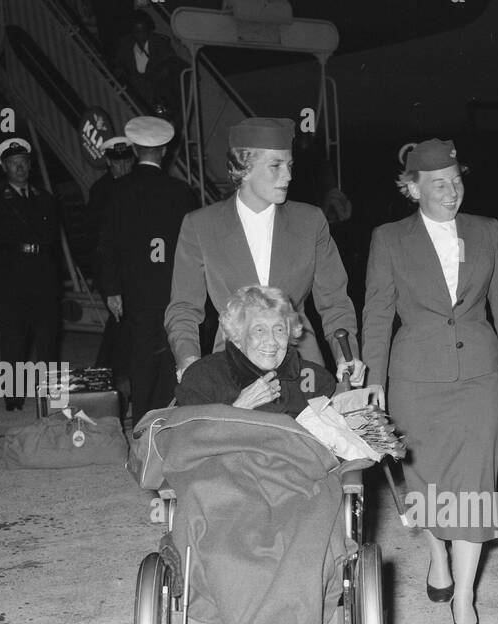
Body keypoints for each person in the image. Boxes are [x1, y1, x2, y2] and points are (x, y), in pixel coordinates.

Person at [362, 139, 498, 624]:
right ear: (413, 188)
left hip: (480, 379)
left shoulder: (487, 230)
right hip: (415, 380)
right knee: (426, 486)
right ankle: (437, 553)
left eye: (457, 180)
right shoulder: (389, 238)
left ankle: (464, 595)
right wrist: (373, 380)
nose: (452, 191)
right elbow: (376, 312)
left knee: (475, 490)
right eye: (439, 184)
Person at [164, 116, 364, 385]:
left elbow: (335, 302)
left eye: (290, 165)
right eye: (275, 166)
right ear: (243, 168)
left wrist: (345, 356)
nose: (288, 175)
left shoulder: (311, 222)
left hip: (302, 371)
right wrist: (189, 362)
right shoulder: (200, 226)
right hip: (230, 370)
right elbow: (184, 308)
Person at [99, 116, 200, 422]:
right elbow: (193, 246)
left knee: (141, 357)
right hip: (174, 288)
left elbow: (106, 245)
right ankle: (168, 419)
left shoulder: (118, 191)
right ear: (165, 150)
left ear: (134, 149)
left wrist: (112, 289)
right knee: (174, 352)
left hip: (135, 291)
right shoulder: (181, 192)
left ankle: (143, 421)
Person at [0, 136, 62, 410]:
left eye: (24, 163)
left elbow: (53, 240)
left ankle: (51, 397)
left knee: (48, 340)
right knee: (13, 340)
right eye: (13, 164)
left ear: (30, 165)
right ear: (5, 168)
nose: (20, 168)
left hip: (43, 275)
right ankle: (13, 398)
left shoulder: (45, 199)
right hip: (10, 276)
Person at [176, 285, 341, 416]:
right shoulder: (203, 377)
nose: (271, 341)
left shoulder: (314, 378)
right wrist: (238, 409)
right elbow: (187, 442)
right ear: (237, 335)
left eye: (279, 330)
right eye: (259, 330)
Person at [89, 135, 136, 398]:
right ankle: (110, 379)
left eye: (127, 160)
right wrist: (106, 285)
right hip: (113, 274)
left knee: (123, 328)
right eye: (117, 163)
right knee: (119, 326)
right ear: (108, 161)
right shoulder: (101, 191)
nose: (123, 167)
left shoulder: (139, 185)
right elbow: (99, 242)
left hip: (136, 271)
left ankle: (114, 377)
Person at [112, 9, 180, 115]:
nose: (140, 35)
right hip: (135, 95)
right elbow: (118, 65)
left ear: (149, 30)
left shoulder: (161, 43)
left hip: (159, 96)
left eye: (143, 31)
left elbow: (172, 63)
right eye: (136, 31)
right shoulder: (125, 44)